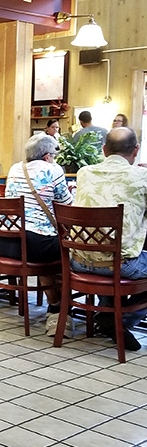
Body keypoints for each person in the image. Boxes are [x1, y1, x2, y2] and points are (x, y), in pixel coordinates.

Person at [73, 126, 147, 351]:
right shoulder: (142, 176)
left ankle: (107, 315)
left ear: (104, 150)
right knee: (125, 255)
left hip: (79, 260)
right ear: (136, 150)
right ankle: (119, 321)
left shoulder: (84, 173)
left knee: (110, 248)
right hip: (120, 265)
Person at [0, 133, 73, 335]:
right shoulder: (54, 170)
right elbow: (67, 204)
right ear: (47, 156)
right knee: (68, 251)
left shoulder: (14, 168)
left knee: (48, 250)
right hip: (33, 242)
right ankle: (60, 308)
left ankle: (55, 305)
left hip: (4, 241)